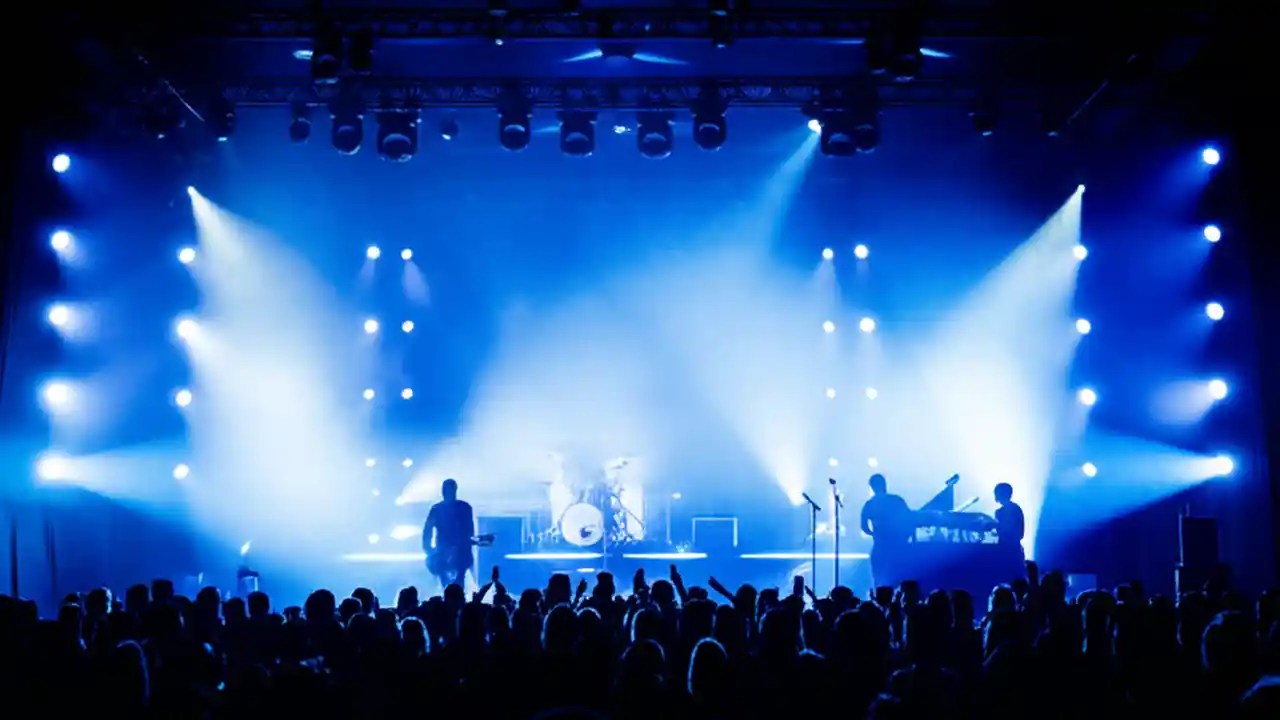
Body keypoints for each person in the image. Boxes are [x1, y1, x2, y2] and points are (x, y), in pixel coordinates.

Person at [860, 474, 914, 588]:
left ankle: (880, 601)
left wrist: (875, 533)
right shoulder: (897, 500)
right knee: (901, 578)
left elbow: (864, 527)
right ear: (885, 484)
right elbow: (910, 520)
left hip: (880, 546)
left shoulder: (870, 504)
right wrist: (906, 537)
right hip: (900, 546)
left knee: (879, 580)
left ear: (872, 487)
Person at [424, 478, 476, 589]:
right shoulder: (437, 509)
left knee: (459, 576)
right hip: (443, 549)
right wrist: (428, 549)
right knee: (445, 577)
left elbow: (469, 530)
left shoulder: (464, 508)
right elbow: (427, 531)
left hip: (460, 550)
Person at [992, 482, 1025, 576]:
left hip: (1009, 550)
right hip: (1013, 549)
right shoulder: (1016, 509)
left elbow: (1012, 531)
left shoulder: (1002, 512)